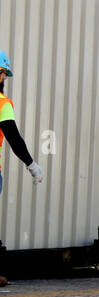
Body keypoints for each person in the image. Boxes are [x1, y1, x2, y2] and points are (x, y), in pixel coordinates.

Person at [0, 50, 45, 194]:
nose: (4, 78)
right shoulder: (2, 103)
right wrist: (32, 166)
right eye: (4, 74)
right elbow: (14, 138)